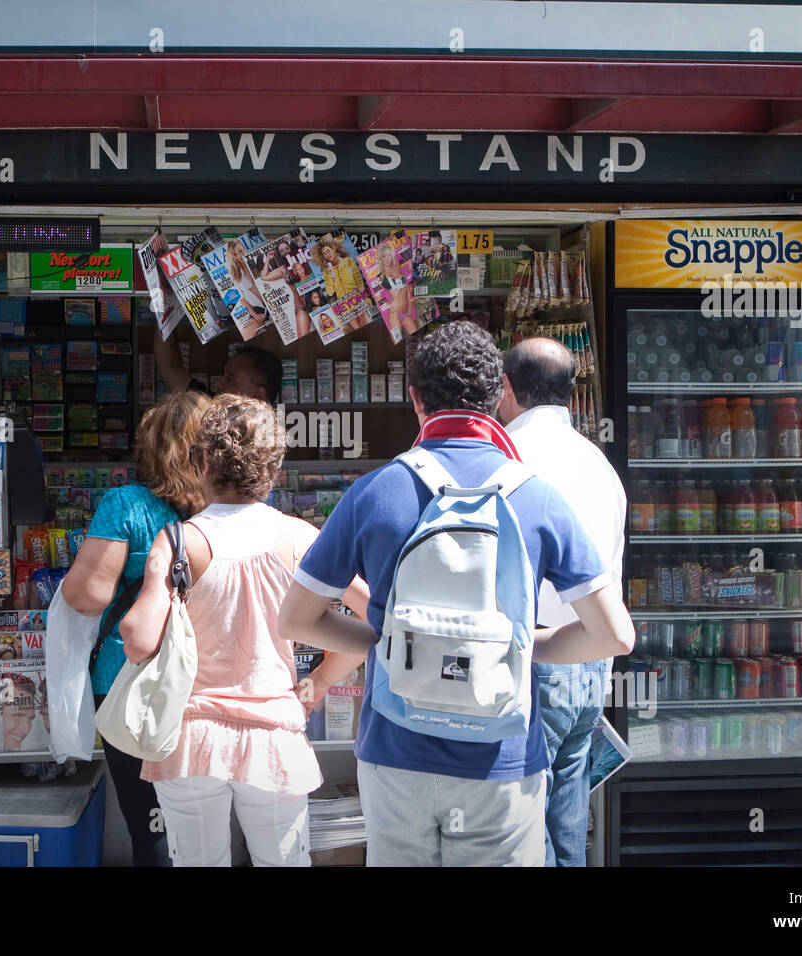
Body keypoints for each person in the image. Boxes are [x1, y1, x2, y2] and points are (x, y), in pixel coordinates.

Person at [279, 320, 634, 867]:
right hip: (503, 761)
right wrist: (520, 644)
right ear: (496, 397)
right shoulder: (535, 494)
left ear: (416, 399)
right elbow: (614, 635)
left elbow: (297, 620)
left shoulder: (376, 490)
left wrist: (386, 638)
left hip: (397, 753)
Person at [119, 395, 369, 867]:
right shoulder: (299, 536)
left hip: (191, 733)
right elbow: (372, 617)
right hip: (273, 732)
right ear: (272, 468)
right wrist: (321, 679)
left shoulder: (177, 541)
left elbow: (138, 641)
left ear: (205, 462)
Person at [62, 389, 211, 867]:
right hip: (215, 681)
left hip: (134, 686)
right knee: (210, 821)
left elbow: (86, 596)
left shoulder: (127, 505)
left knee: (153, 828)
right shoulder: (236, 512)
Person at [500, 336, 628, 867]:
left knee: (526, 817)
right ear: (570, 395)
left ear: (505, 388)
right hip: (592, 662)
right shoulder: (599, 463)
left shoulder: (511, 455)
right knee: (569, 806)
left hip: (538, 657)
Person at [152, 323, 282, 404]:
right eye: (225, 375)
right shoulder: (211, 406)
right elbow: (169, 367)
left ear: (257, 395)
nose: (218, 383)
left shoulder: (265, 441)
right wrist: (164, 312)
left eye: (230, 380)